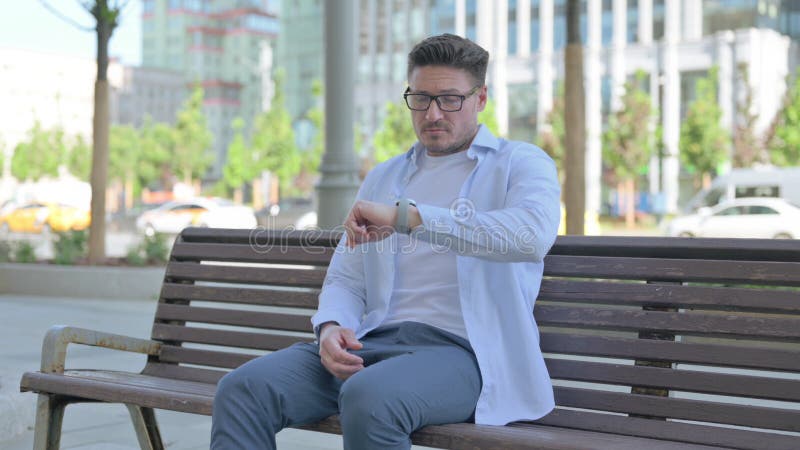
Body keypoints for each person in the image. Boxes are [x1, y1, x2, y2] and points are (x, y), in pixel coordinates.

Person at [211, 33, 561, 450]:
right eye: (421, 98)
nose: (432, 113)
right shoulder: (384, 176)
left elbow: (530, 236)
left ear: (480, 98)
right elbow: (346, 276)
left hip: (466, 355)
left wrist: (408, 217)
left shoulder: (519, 163)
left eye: (450, 99)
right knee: (242, 389)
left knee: (370, 396)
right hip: (373, 342)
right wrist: (332, 327)